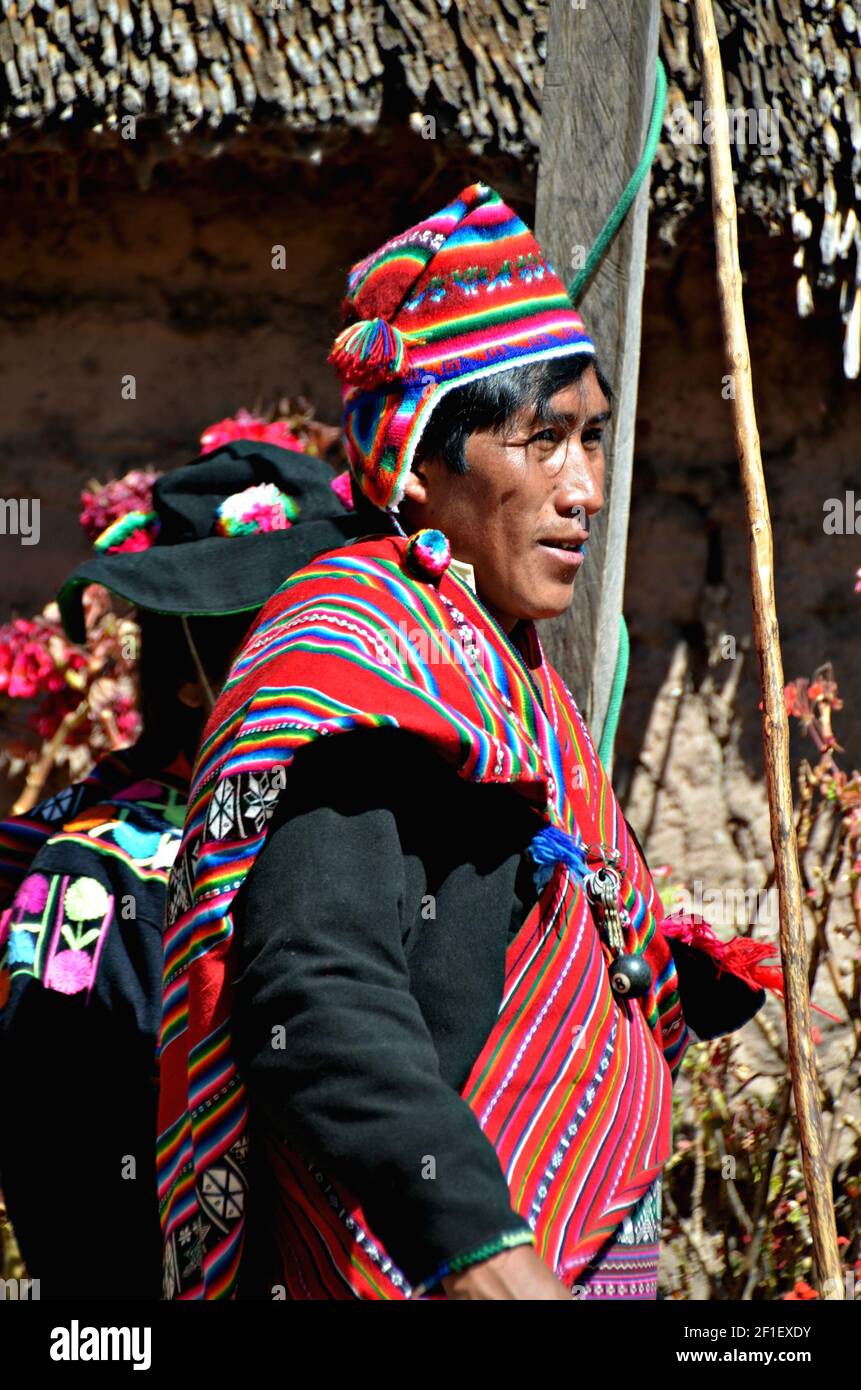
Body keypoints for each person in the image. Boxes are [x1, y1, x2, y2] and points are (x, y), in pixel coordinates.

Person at [156, 183, 775, 1302]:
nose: (583, 489)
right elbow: (318, 981)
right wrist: (482, 1252)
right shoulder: (356, 664)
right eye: (541, 442)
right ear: (420, 468)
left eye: (592, 440)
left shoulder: (494, 658)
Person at [0, 441, 362, 1298]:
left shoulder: (375, 817)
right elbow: (60, 1154)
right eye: (277, 636)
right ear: (193, 681)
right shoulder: (92, 879)